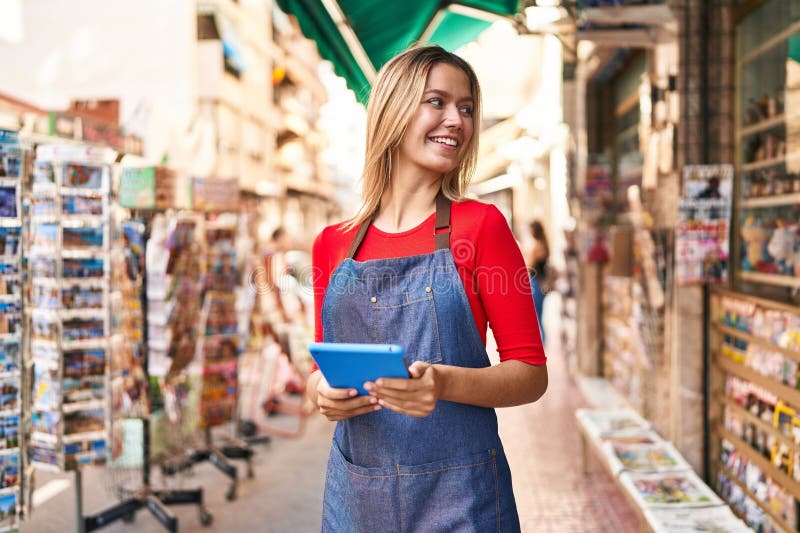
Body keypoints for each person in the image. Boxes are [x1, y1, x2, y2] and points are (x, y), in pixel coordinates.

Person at [308, 45, 547, 532]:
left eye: (466, 108)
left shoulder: (481, 227)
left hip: (463, 499)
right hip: (357, 498)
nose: (457, 120)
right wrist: (322, 392)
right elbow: (322, 366)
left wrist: (443, 384)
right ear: (393, 110)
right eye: (436, 102)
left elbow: (530, 374)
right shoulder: (332, 245)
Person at [528, 220, 550, 344]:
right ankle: (542, 342)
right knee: (539, 315)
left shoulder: (538, 246)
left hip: (536, 283)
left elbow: (529, 265)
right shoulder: (544, 244)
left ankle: (541, 342)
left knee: (536, 315)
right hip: (539, 282)